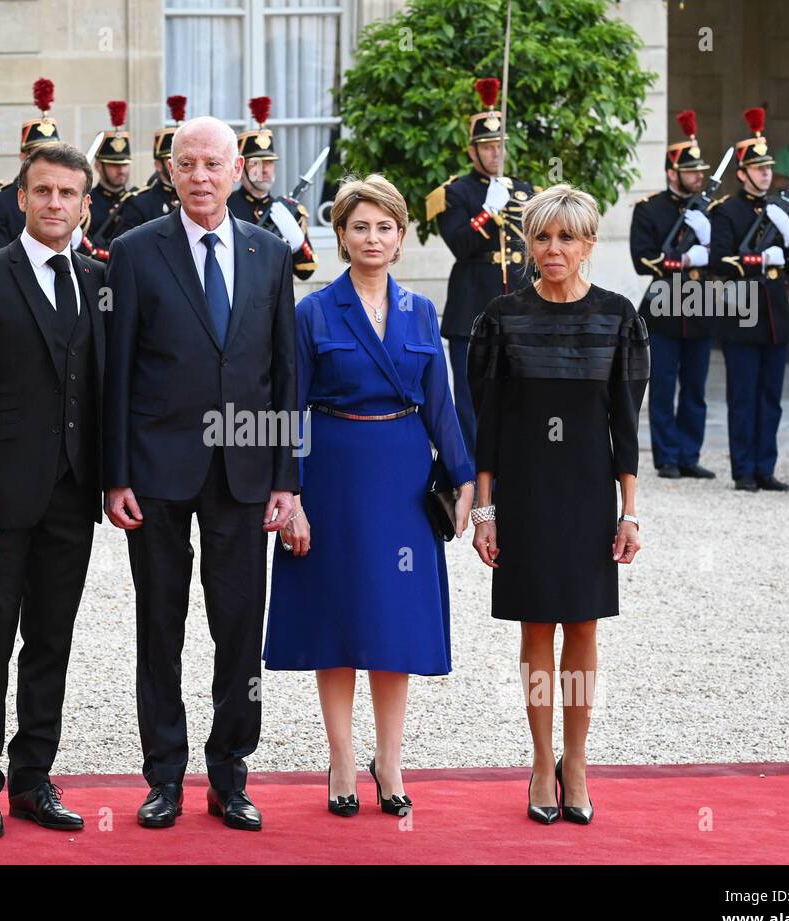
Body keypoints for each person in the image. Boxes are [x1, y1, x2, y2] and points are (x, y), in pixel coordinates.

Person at [104, 115, 298, 832]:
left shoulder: (271, 253)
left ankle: (230, 773)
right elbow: (116, 370)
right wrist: (114, 473)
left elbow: (285, 371)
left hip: (246, 469)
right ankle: (164, 777)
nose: (202, 178)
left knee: (239, 629)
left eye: (214, 164)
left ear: (239, 168)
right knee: (160, 624)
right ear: (170, 171)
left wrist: (288, 476)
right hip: (156, 469)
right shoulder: (133, 252)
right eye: (187, 165)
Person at [264, 174, 473, 817]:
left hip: (404, 480)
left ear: (402, 237)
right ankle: (343, 760)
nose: (372, 238)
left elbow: (440, 402)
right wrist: (290, 493)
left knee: (392, 621)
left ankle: (391, 759)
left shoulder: (421, 312)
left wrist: (464, 477)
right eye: (359, 226)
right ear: (341, 235)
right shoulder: (313, 312)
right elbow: (289, 411)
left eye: (384, 227)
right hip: (332, 476)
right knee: (337, 618)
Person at [0, 141, 107, 839]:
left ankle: (34, 777)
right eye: (43, 192)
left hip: (74, 494)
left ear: (86, 205)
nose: (56, 204)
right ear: (21, 198)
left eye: (69, 194)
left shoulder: (102, 281)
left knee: (52, 641)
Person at [469, 183, 649, 826]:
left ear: (589, 245)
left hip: (586, 491)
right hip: (523, 491)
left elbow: (625, 425)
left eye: (566, 238)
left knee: (583, 628)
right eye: (542, 236)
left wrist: (629, 510)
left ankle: (577, 762)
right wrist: (484, 508)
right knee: (536, 630)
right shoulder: (501, 316)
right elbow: (486, 424)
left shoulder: (619, 316)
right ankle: (541, 761)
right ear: (528, 242)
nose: (552, 249)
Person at [427, 76, 536, 465]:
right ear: (472, 151)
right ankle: (473, 466)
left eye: (500, 146)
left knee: (518, 388)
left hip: (518, 307)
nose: (495, 154)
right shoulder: (455, 193)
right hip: (472, 306)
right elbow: (460, 244)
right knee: (473, 395)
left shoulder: (525, 190)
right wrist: (488, 211)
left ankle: (512, 460)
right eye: (487, 147)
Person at [708, 107, 789, 492]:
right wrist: (761, 258)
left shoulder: (782, 208)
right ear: (742, 173)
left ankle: (765, 466)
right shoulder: (726, 210)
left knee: (770, 398)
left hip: (775, 311)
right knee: (743, 396)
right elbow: (720, 260)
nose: (765, 173)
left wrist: (788, 240)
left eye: (767, 168)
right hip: (742, 310)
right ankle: (743, 469)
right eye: (757, 168)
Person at [628, 108, 715, 480]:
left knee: (695, 387)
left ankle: (690, 454)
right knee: (663, 385)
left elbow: (723, 255)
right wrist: (681, 258)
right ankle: (666, 456)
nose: (698, 177)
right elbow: (643, 260)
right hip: (664, 305)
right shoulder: (650, 209)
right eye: (691, 171)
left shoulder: (709, 209)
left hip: (701, 304)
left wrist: (709, 243)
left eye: (700, 172)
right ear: (671, 172)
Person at [226, 96, 317, 281]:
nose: (265, 169)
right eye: (256, 163)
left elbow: (306, 271)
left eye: (269, 163)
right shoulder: (225, 206)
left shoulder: (288, 210)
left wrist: (298, 243)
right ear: (240, 168)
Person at [0, 77, 60, 254]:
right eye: (39, 154)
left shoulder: (67, 198)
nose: (47, 162)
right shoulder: (2, 202)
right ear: (23, 156)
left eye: (52, 155)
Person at [110, 94, 185, 238]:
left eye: (186, 161)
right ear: (158, 165)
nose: (180, 166)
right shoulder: (140, 202)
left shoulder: (199, 199)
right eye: (172, 160)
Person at [75, 99, 132, 263]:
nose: (121, 170)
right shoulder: (87, 203)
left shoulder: (135, 201)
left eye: (124, 164)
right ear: (98, 166)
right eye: (114, 165)